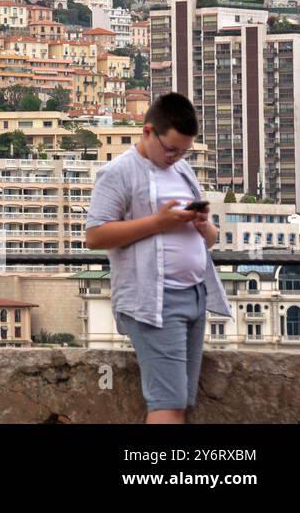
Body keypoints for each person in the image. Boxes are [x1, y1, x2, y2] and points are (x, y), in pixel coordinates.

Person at [85, 92, 231, 424]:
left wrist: (202, 223)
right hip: (155, 300)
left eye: (184, 151)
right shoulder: (118, 172)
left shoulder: (183, 171)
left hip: (194, 295)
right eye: (170, 149)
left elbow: (210, 239)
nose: (176, 157)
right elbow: (94, 236)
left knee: (180, 400)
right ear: (148, 131)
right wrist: (158, 223)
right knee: (167, 402)